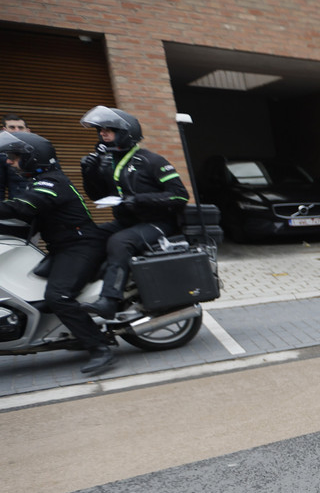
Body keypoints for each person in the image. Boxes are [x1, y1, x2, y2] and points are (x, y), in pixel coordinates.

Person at [0, 131, 116, 374]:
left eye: (14, 156)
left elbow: (23, 207)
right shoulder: (38, 182)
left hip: (80, 246)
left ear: (33, 157)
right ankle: (69, 334)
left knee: (58, 296)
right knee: (38, 293)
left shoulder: (52, 183)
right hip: (63, 247)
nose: (9, 161)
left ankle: (100, 347)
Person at [78, 106, 189, 319]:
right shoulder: (108, 162)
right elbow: (96, 196)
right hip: (128, 221)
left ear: (125, 132)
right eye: (100, 129)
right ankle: (81, 288)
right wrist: (89, 173)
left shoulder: (151, 161)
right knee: (89, 236)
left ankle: (109, 300)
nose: (103, 133)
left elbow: (179, 196)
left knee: (120, 242)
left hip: (158, 223)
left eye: (109, 129)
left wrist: (139, 200)